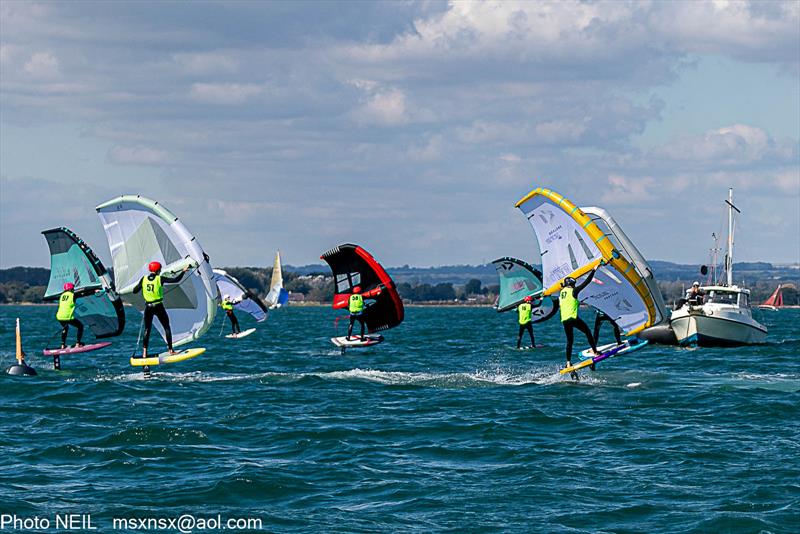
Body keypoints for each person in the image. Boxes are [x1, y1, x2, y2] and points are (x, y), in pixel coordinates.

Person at [132, 261, 189, 357]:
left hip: (148, 307)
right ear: (158, 270)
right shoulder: (160, 278)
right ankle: (171, 350)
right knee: (166, 326)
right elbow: (176, 280)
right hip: (158, 306)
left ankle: (144, 352)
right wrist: (183, 271)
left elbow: (135, 291)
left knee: (147, 329)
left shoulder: (144, 279)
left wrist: (142, 287)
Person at [559, 264, 603, 369]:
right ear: (572, 284)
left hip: (564, 320)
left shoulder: (561, 293)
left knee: (569, 341)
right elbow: (586, 282)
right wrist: (593, 270)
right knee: (587, 332)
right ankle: (595, 352)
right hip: (573, 318)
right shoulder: (573, 291)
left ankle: (568, 362)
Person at [56, 282, 84, 349]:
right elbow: (83, 294)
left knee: (65, 328)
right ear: (71, 289)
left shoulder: (62, 295)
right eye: (73, 288)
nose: (73, 289)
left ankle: (62, 345)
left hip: (59, 317)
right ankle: (78, 343)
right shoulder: (73, 295)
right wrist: (94, 291)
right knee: (80, 326)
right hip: (67, 317)